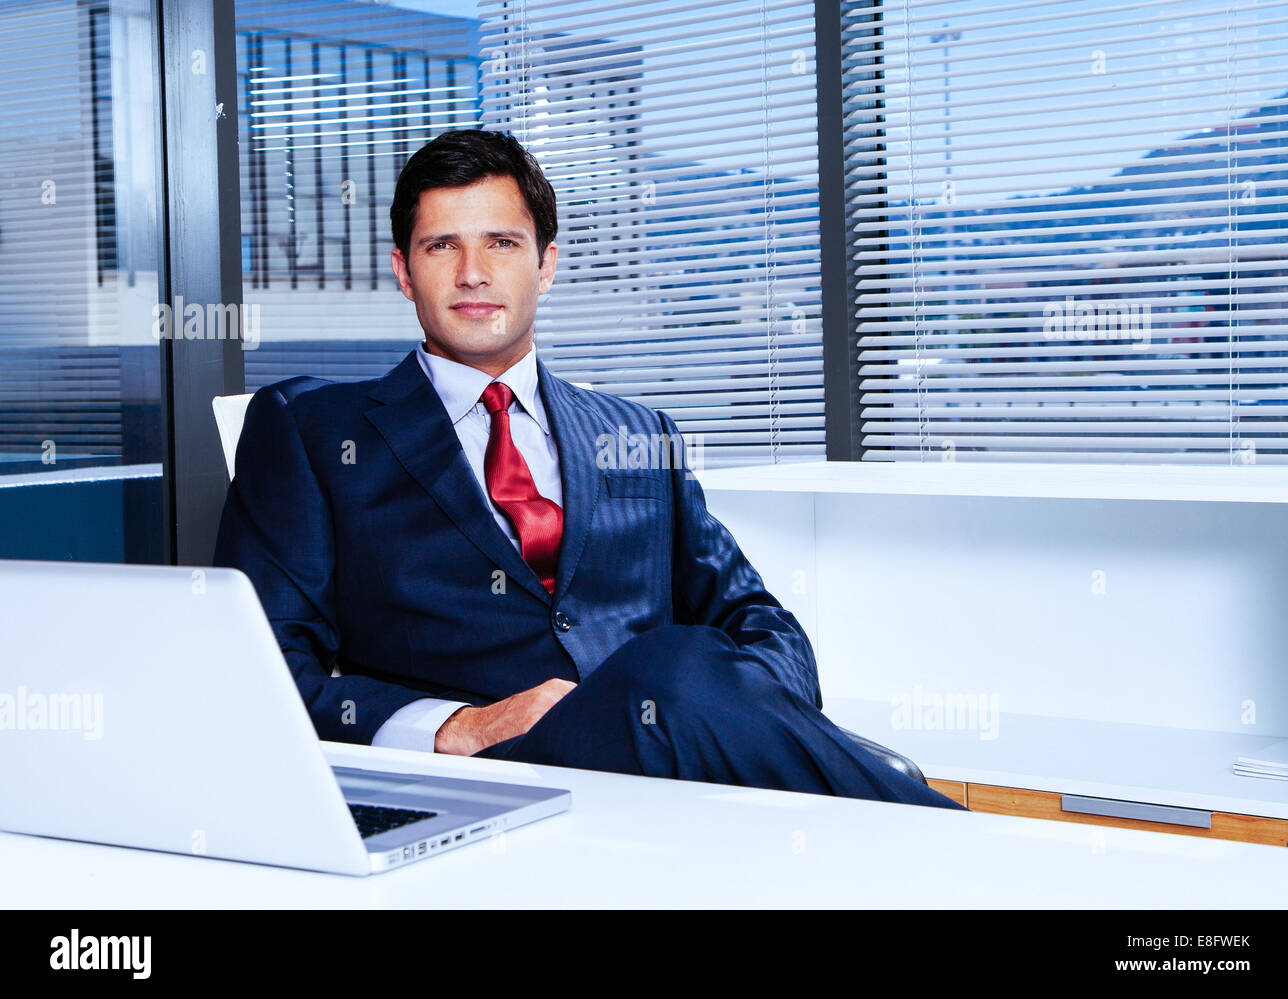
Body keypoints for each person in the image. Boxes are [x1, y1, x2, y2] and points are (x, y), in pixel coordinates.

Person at [213, 128, 965, 811]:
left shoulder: (639, 433)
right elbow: (264, 670)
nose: (473, 273)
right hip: (489, 781)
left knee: (677, 670)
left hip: (673, 767)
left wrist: (726, 711)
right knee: (672, 672)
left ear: (546, 266)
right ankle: (967, 852)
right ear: (404, 273)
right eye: (442, 246)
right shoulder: (312, 430)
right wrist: (461, 727)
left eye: (502, 244)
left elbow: (763, 625)